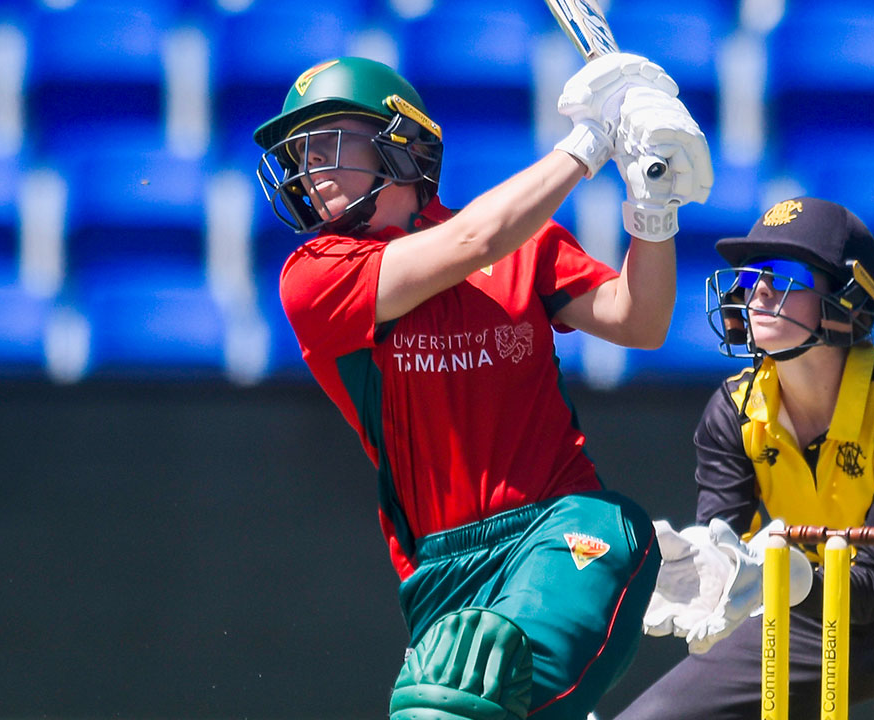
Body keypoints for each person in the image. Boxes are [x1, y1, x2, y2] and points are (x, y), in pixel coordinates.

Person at [252, 54, 712, 720]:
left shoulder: (524, 244)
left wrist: (653, 208)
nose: (308, 167)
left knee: (490, 684)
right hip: (441, 574)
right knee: (453, 699)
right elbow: (474, 239)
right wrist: (590, 143)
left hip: (556, 524)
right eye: (302, 149)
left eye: (330, 143)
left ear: (398, 145)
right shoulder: (316, 274)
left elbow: (638, 321)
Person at [613, 197, 874, 720]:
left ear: (847, 297)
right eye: (751, 276)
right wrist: (706, 572)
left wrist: (783, 577)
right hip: (819, 608)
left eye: (785, 272)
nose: (758, 289)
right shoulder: (734, 410)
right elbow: (729, 545)